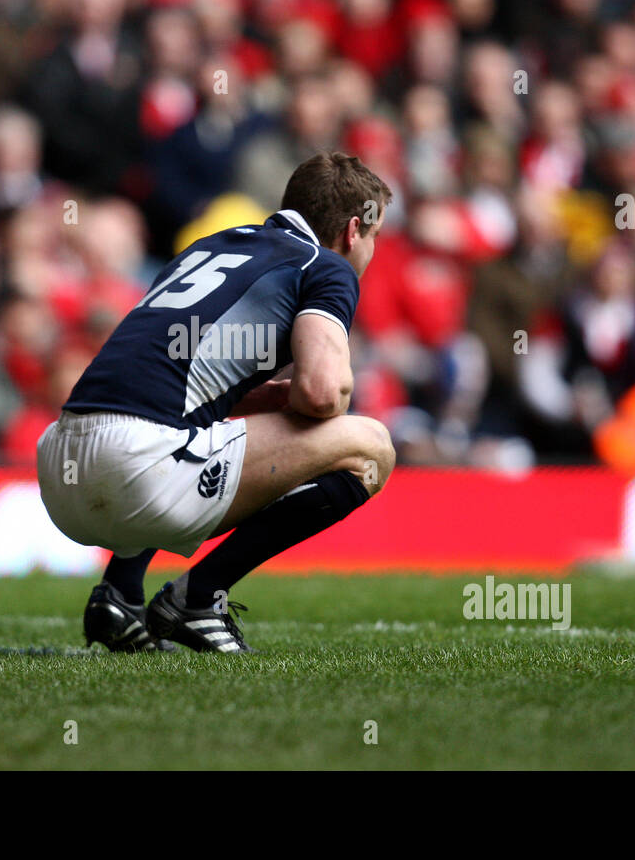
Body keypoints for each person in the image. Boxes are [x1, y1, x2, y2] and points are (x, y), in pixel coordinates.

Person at [37, 152, 396, 652]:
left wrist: (273, 400)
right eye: (376, 236)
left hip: (59, 466)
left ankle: (119, 593)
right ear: (355, 229)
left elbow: (179, 378)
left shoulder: (209, 247)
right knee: (371, 447)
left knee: (192, 421)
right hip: (137, 470)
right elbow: (322, 394)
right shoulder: (325, 266)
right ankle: (200, 597)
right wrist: (303, 399)